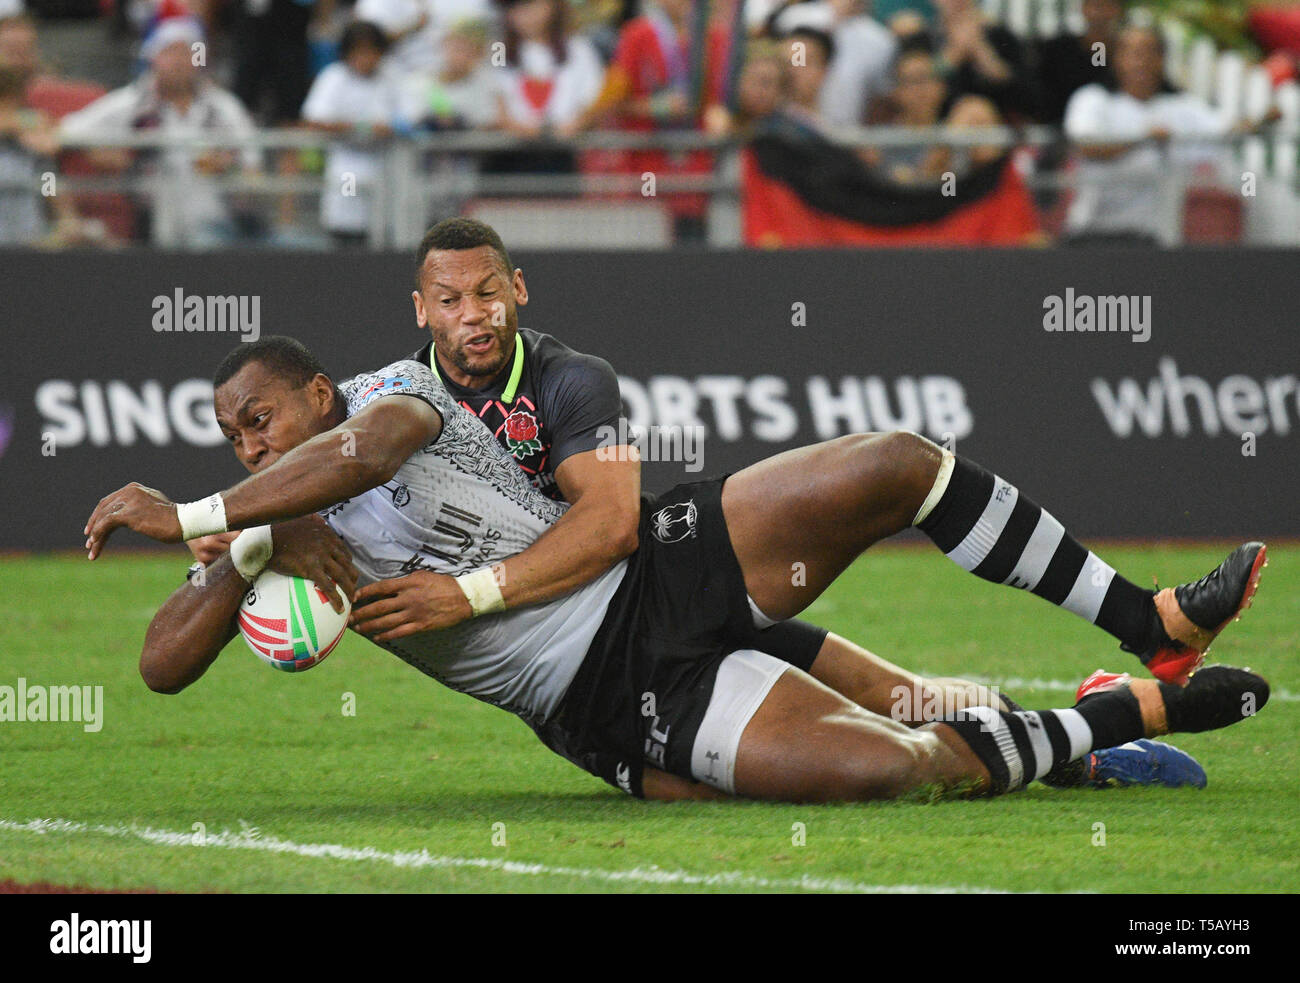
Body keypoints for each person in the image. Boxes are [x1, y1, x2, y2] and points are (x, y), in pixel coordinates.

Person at [85, 329, 1266, 801]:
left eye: (257, 418)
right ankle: (1108, 721)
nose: (246, 443)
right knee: (888, 758)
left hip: (657, 570)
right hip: (598, 691)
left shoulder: (393, 402)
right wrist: (226, 546)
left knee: (894, 462)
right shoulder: (258, 520)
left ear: (317, 392)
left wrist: (193, 504)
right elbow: (159, 667)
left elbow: (358, 456)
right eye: (232, 435)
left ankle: (1145, 618)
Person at [57, 16, 261, 248]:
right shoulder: (131, 103)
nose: (179, 61)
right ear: (153, 57)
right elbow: (66, 130)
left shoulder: (223, 107)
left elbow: (253, 163)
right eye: (170, 52)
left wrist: (228, 165)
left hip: (219, 222)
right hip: (151, 226)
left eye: (187, 53)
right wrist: (103, 153)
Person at [1062, 23, 1236, 244]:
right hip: (1092, 233)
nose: (1141, 62)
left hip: (1152, 238)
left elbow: (1227, 129)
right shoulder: (1092, 100)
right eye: (1133, 53)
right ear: (1117, 58)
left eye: (1150, 52)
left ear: (1162, 59)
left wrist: (1263, 117)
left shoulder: (1182, 106)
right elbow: (1086, 145)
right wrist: (1143, 139)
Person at [300, 20, 405, 247]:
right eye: (360, 51)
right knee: (344, 233)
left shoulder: (391, 77)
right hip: (346, 166)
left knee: (384, 235)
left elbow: (408, 118)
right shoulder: (333, 77)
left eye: (372, 51)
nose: (366, 58)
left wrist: (394, 127)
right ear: (347, 52)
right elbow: (314, 120)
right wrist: (362, 128)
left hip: (384, 166)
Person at [1032, 0, 1123, 125]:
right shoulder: (1059, 49)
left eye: (1107, 6)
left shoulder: (1121, 52)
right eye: (1096, 6)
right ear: (1083, 8)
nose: (1100, 13)